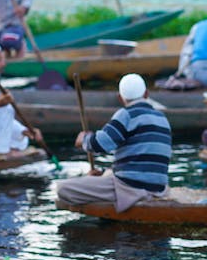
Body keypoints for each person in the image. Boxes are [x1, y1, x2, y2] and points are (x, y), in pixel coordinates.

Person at [55, 73, 172, 213]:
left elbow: (101, 144)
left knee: (62, 188)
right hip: (158, 188)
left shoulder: (126, 114)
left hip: (131, 188)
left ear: (120, 98)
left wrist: (84, 140)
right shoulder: (162, 118)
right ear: (146, 94)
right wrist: (103, 175)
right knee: (106, 174)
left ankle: (118, 198)